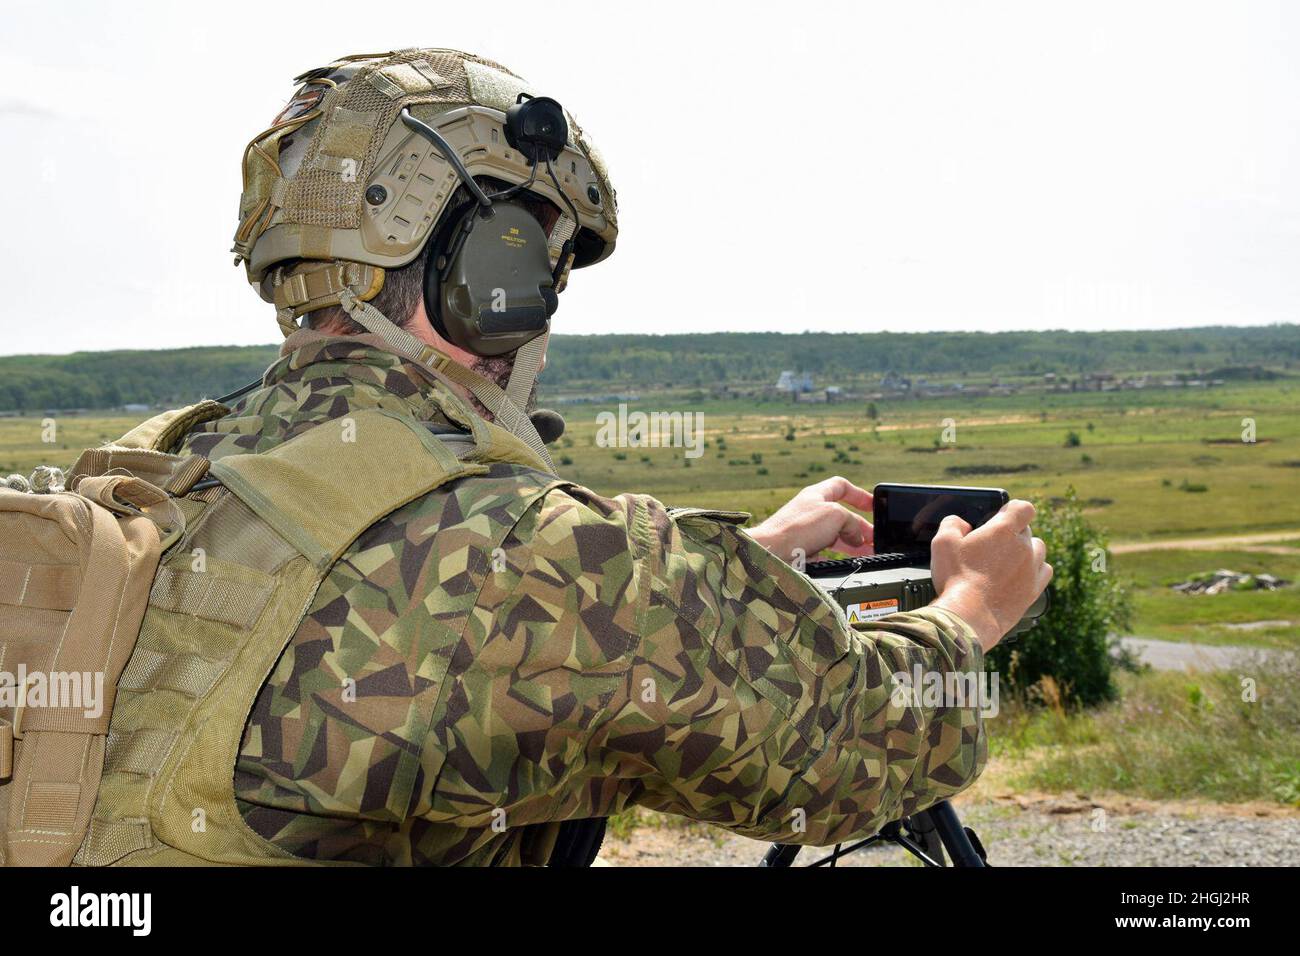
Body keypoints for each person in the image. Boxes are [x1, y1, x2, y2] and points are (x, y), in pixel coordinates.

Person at [85, 49, 1052, 866]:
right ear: (493, 275)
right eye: (542, 260)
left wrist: (735, 568)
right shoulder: (545, 562)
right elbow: (862, 746)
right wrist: (975, 606)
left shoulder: (156, 466)